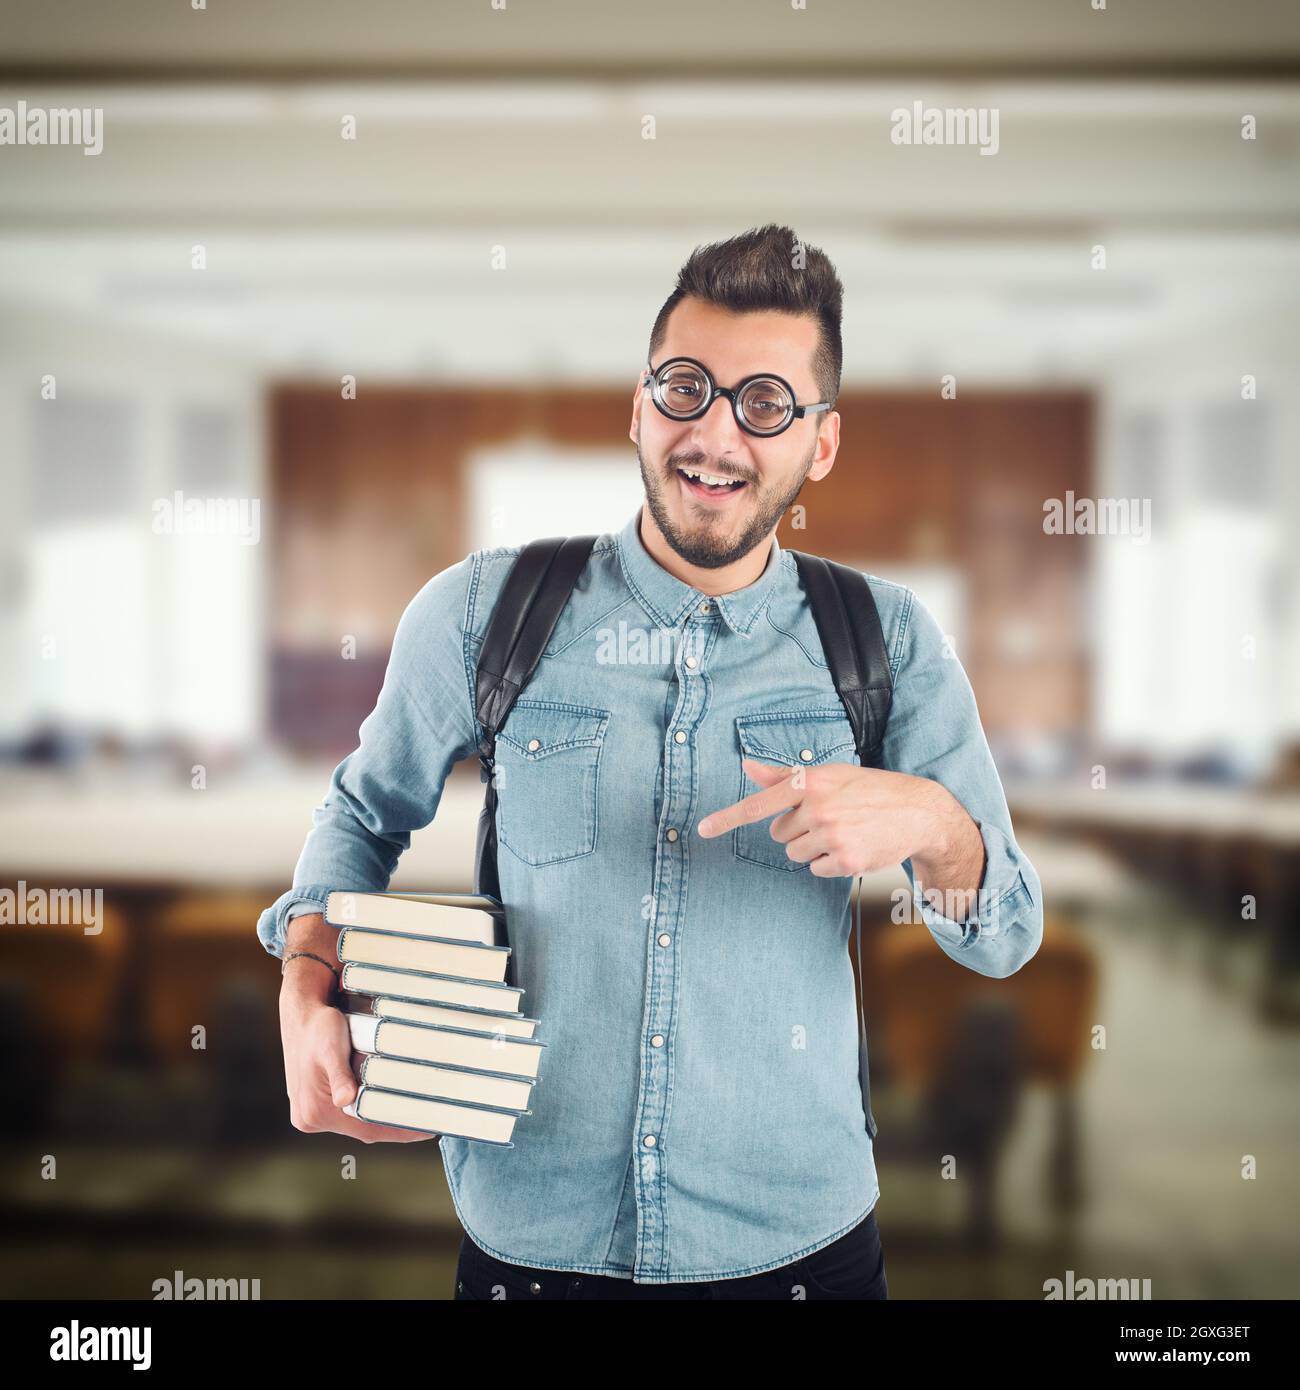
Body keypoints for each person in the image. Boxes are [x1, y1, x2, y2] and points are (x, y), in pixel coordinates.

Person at [257, 223, 1044, 1299]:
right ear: (638, 406)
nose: (715, 434)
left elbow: (1004, 939)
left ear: (819, 443)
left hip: (798, 1248)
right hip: (534, 1240)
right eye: (686, 388)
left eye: (764, 402)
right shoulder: (481, 613)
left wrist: (933, 824)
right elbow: (361, 815)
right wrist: (306, 978)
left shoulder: (888, 642)